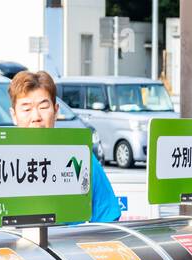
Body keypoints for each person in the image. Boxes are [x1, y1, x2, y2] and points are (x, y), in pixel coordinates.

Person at [7, 70, 121, 223]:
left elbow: (107, 218)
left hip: (68, 246)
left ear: (55, 111)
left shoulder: (81, 156)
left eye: (43, 107)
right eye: (26, 109)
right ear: (14, 115)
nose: (36, 117)